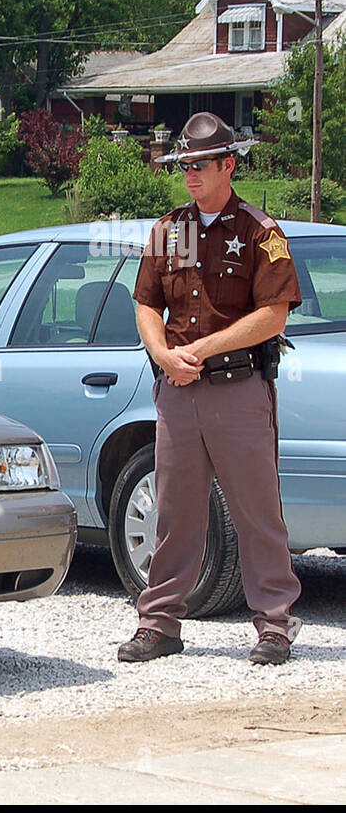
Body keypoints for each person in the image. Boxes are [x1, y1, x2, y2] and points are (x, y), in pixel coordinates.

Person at [120, 111, 302, 666]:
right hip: (178, 389)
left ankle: (274, 623)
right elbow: (146, 301)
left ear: (228, 165)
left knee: (256, 509)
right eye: (183, 165)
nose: (189, 175)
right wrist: (162, 354)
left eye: (199, 165)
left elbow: (274, 315)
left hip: (238, 388)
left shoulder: (258, 231)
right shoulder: (168, 229)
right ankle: (161, 622)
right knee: (174, 509)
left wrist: (208, 348)